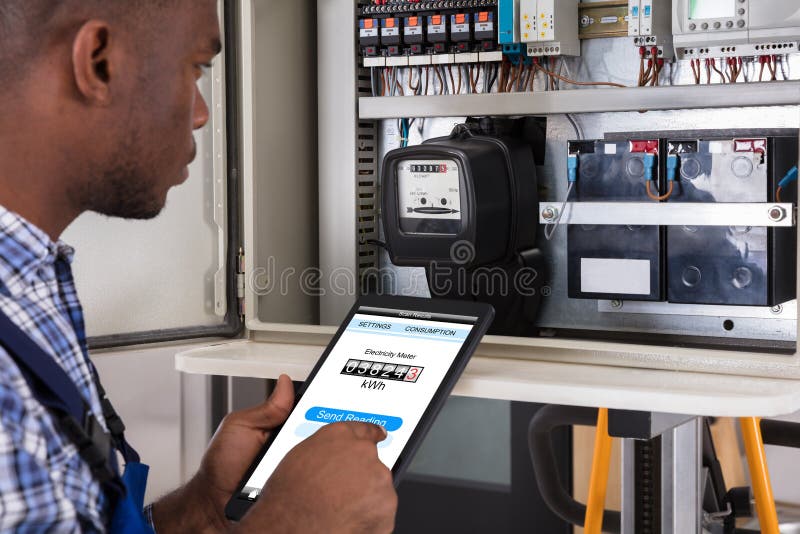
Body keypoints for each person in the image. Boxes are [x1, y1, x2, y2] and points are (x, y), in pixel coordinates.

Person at [0, 0, 398, 532]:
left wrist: (198, 512)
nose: (203, 113)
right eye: (194, 68)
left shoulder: (32, 280)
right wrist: (288, 523)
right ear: (99, 61)